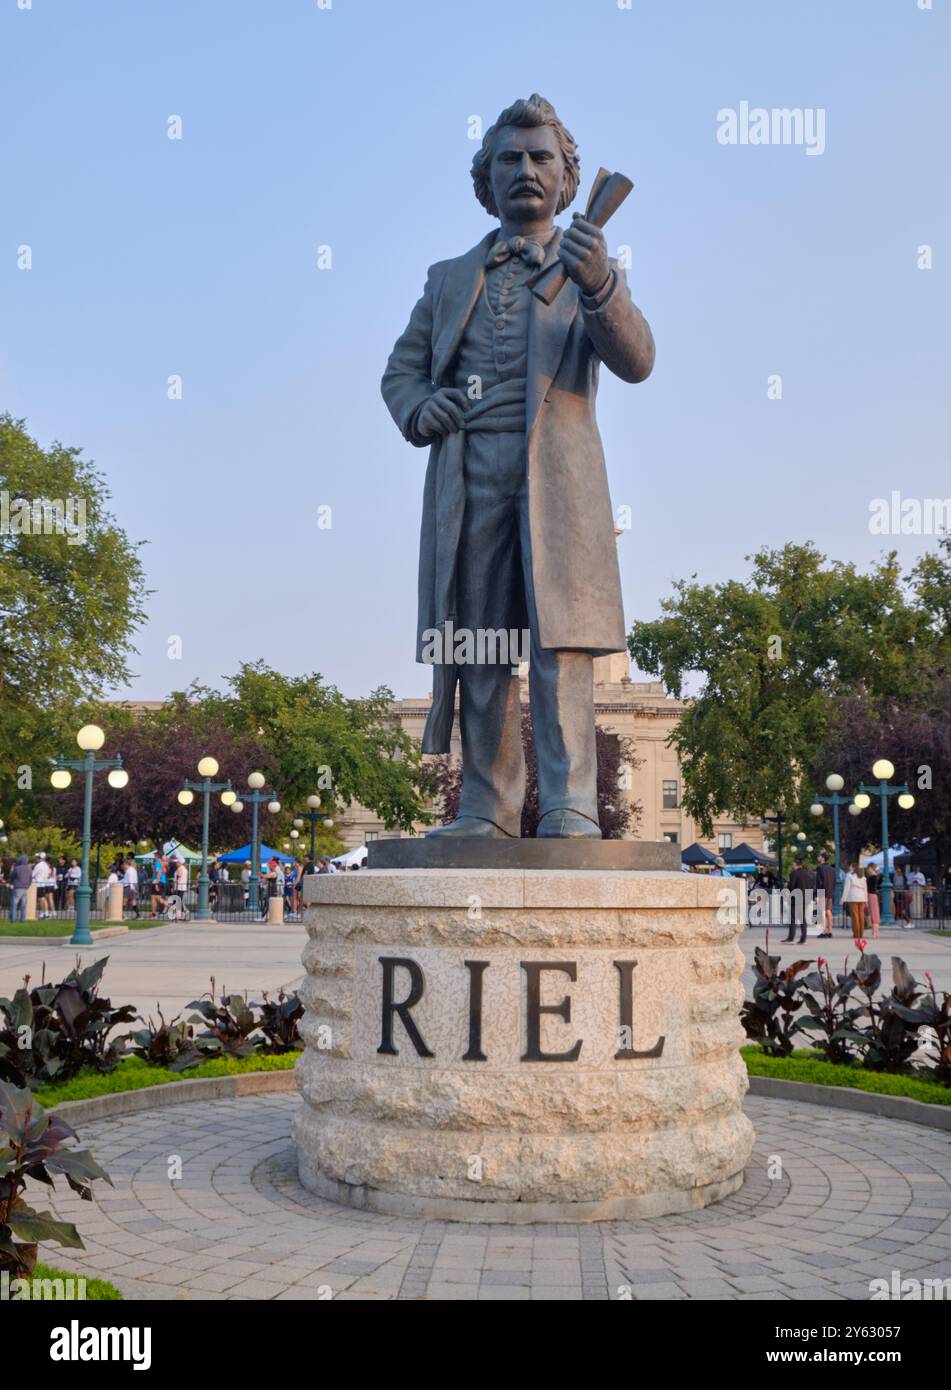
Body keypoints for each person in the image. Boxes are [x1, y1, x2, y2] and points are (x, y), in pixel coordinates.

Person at [785, 857, 815, 945]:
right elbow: (811, 886)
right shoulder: (807, 874)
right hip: (805, 898)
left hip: (796, 898)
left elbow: (792, 886)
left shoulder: (794, 873)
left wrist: (787, 885)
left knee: (793, 918)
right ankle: (803, 938)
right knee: (803, 919)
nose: (793, 866)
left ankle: (791, 938)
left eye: (793, 864)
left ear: (796, 864)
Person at [841, 863, 869, 942]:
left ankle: (856, 934)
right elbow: (865, 889)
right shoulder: (863, 877)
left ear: (852, 868)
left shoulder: (849, 876)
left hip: (853, 897)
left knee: (855, 916)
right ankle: (861, 933)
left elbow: (847, 888)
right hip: (862, 897)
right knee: (861, 916)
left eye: (850, 866)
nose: (849, 867)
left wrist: (843, 899)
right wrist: (866, 900)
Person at [815, 852, 836, 938]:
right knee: (828, 911)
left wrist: (816, 894)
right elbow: (834, 881)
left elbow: (819, 882)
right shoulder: (832, 869)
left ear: (823, 858)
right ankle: (830, 931)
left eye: (819, 856)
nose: (818, 857)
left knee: (822, 912)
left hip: (822, 892)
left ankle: (823, 931)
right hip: (830, 892)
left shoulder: (820, 868)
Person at [8, 853, 32, 922]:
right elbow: (30, 879)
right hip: (25, 888)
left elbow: (11, 877)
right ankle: (22, 920)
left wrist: (11, 883)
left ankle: (12, 920)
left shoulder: (16, 868)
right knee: (23, 905)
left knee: (14, 904)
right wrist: (27, 886)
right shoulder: (29, 869)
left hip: (17, 888)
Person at [32, 851, 55, 919]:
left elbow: (33, 874)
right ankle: (44, 912)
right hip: (44, 883)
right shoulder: (45, 865)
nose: (36, 858)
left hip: (39, 884)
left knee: (41, 899)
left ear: (40, 858)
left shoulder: (39, 865)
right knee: (42, 899)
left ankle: (45, 913)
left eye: (37, 857)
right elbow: (48, 874)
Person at [865, 862, 881, 938]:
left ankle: (875, 933)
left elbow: (868, 887)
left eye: (868, 868)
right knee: (874, 913)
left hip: (871, 895)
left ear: (871, 868)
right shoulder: (874, 876)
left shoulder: (873, 877)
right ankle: (875, 933)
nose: (867, 870)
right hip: (872, 895)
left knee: (874, 914)